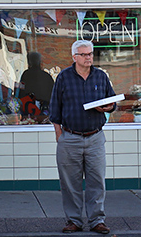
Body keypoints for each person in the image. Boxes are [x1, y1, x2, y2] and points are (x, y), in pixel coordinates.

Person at [49, 39, 116, 234]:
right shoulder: (64, 77)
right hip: (70, 137)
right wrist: (59, 135)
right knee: (70, 183)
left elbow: (111, 101)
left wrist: (109, 107)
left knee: (97, 181)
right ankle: (74, 220)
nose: (88, 58)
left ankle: (97, 221)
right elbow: (54, 108)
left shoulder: (101, 76)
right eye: (84, 55)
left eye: (90, 54)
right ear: (74, 57)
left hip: (95, 137)